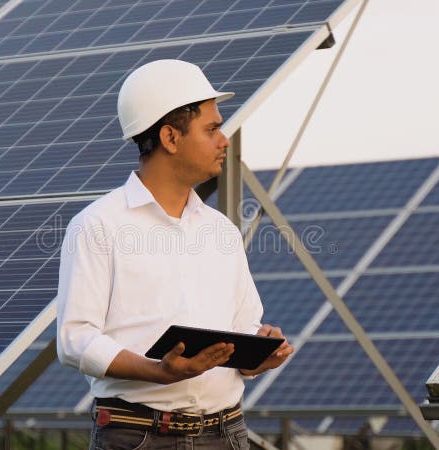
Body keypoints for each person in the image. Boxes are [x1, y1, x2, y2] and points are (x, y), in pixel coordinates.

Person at [56, 59, 294, 450]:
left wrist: (257, 352)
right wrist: (158, 372)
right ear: (170, 138)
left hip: (227, 435)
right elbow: (75, 338)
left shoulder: (222, 231)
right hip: (138, 437)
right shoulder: (98, 224)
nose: (225, 140)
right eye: (212, 128)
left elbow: (242, 327)